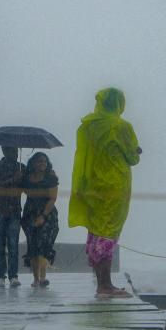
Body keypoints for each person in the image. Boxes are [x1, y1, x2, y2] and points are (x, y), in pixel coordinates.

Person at [69, 88, 141, 298]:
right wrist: (136, 152)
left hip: (92, 185)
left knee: (97, 231)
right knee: (109, 232)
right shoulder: (122, 126)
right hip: (115, 186)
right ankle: (105, 286)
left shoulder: (88, 125)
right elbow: (132, 157)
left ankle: (102, 283)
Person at [20, 152, 59, 288]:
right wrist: (22, 178)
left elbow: (53, 198)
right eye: (39, 161)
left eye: (45, 161)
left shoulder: (51, 178)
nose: (42, 164)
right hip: (30, 213)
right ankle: (35, 279)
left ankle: (43, 278)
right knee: (33, 247)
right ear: (33, 163)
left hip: (48, 214)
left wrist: (42, 216)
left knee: (43, 246)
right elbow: (26, 192)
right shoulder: (27, 178)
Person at [0, 146, 24, 287]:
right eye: (11, 151)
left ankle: (13, 276)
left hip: (15, 211)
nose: (14, 154)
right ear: (4, 151)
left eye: (15, 151)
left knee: (13, 245)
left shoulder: (23, 168)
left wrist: (50, 175)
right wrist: (14, 179)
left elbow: (31, 184)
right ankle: (0, 276)